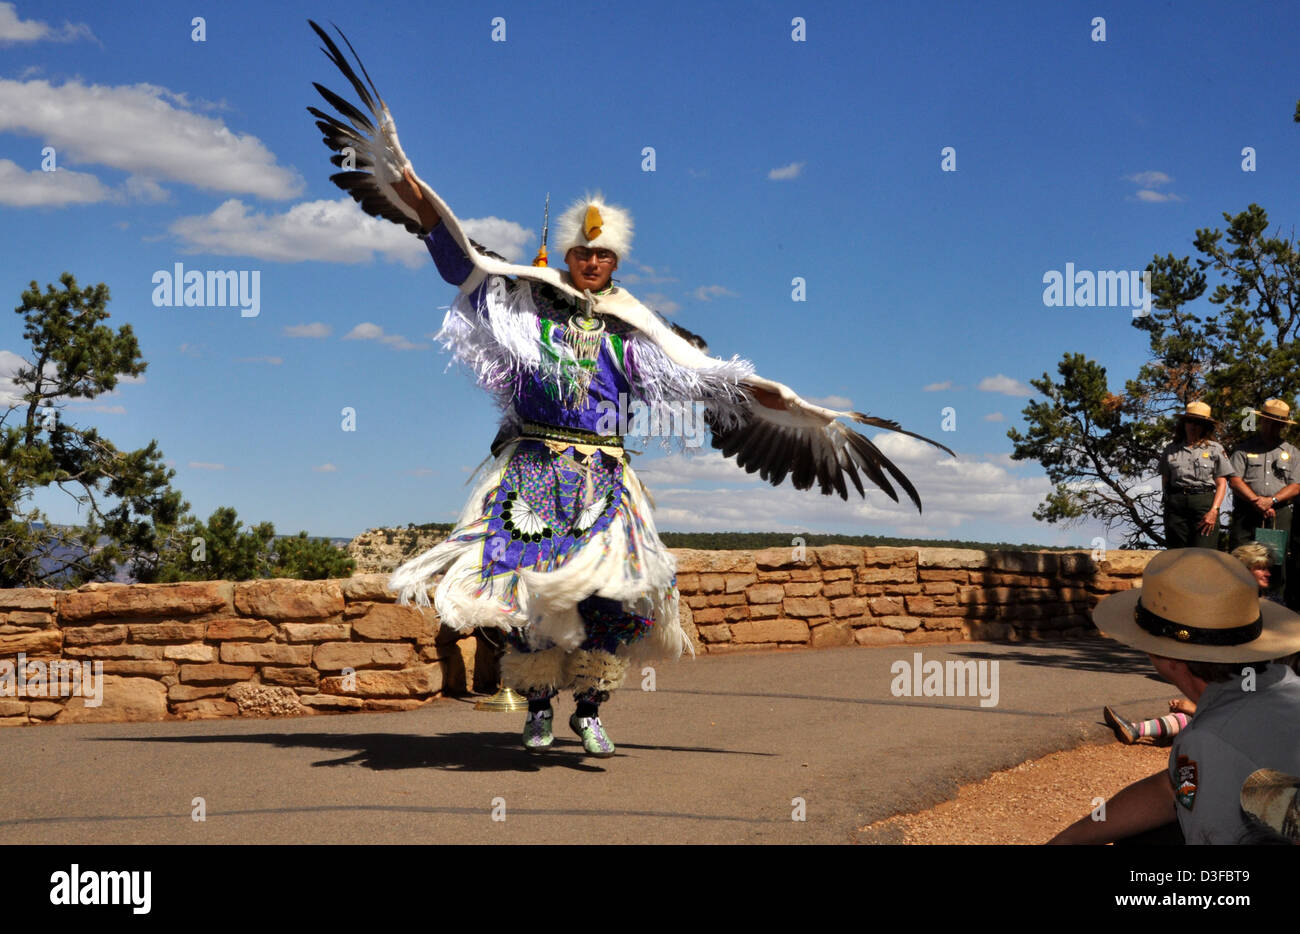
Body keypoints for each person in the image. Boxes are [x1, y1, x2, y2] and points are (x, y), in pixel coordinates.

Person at [386, 174, 750, 757]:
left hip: (605, 477)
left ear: (615, 262)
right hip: (535, 470)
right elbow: (463, 263)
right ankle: (536, 710)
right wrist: (416, 196)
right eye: (582, 252)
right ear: (570, 257)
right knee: (534, 593)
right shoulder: (530, 308)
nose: (591, 261)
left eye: (603, 254)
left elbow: (708, 378)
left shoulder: (637, 330)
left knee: (609, 595)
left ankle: (588, 710)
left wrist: (794, 410)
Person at [1051, 549, 1300, 844]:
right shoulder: (1282, 688)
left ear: (1163, 655)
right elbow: (1174, 789)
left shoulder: (1210, 741)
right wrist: (1069, 839)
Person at [1101, 543, 1282, 745]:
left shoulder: (1270, 607)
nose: (1267, 573)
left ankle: (1142, 728)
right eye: (1260, 567)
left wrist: (1198, 705)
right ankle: (1139, 729)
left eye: (1268, 568)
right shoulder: (1222, 607)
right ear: (1243, 570)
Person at [1228, 398, 1300, 607]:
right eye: (1268, 421)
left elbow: (1296, 486)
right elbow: (1234, 479)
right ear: (1262, 422)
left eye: (1278, 422)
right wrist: (1255, 500)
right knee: (1241, 557)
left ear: (1284, 425)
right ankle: (1237, 604)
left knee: (1276, 562)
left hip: (1279, 513)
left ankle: (1274, 609)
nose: (1272, 426)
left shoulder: (1293, 452)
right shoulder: (1243, 449)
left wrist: (1272, 500)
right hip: (1246, 512)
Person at [1158, 401, 1232, 549]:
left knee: (1204, 553)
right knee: (1177, 553)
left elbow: (1221, 483)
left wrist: (1214, 510)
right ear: (1183, 424)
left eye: (1198, 423)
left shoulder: (1215, 449)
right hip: (1176, 504)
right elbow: (1165, 480)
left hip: (1204, 502)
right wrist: (1168, 504)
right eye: (1190, 421)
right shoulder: (1171, 449)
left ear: (1205, 426)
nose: (1193, 426)